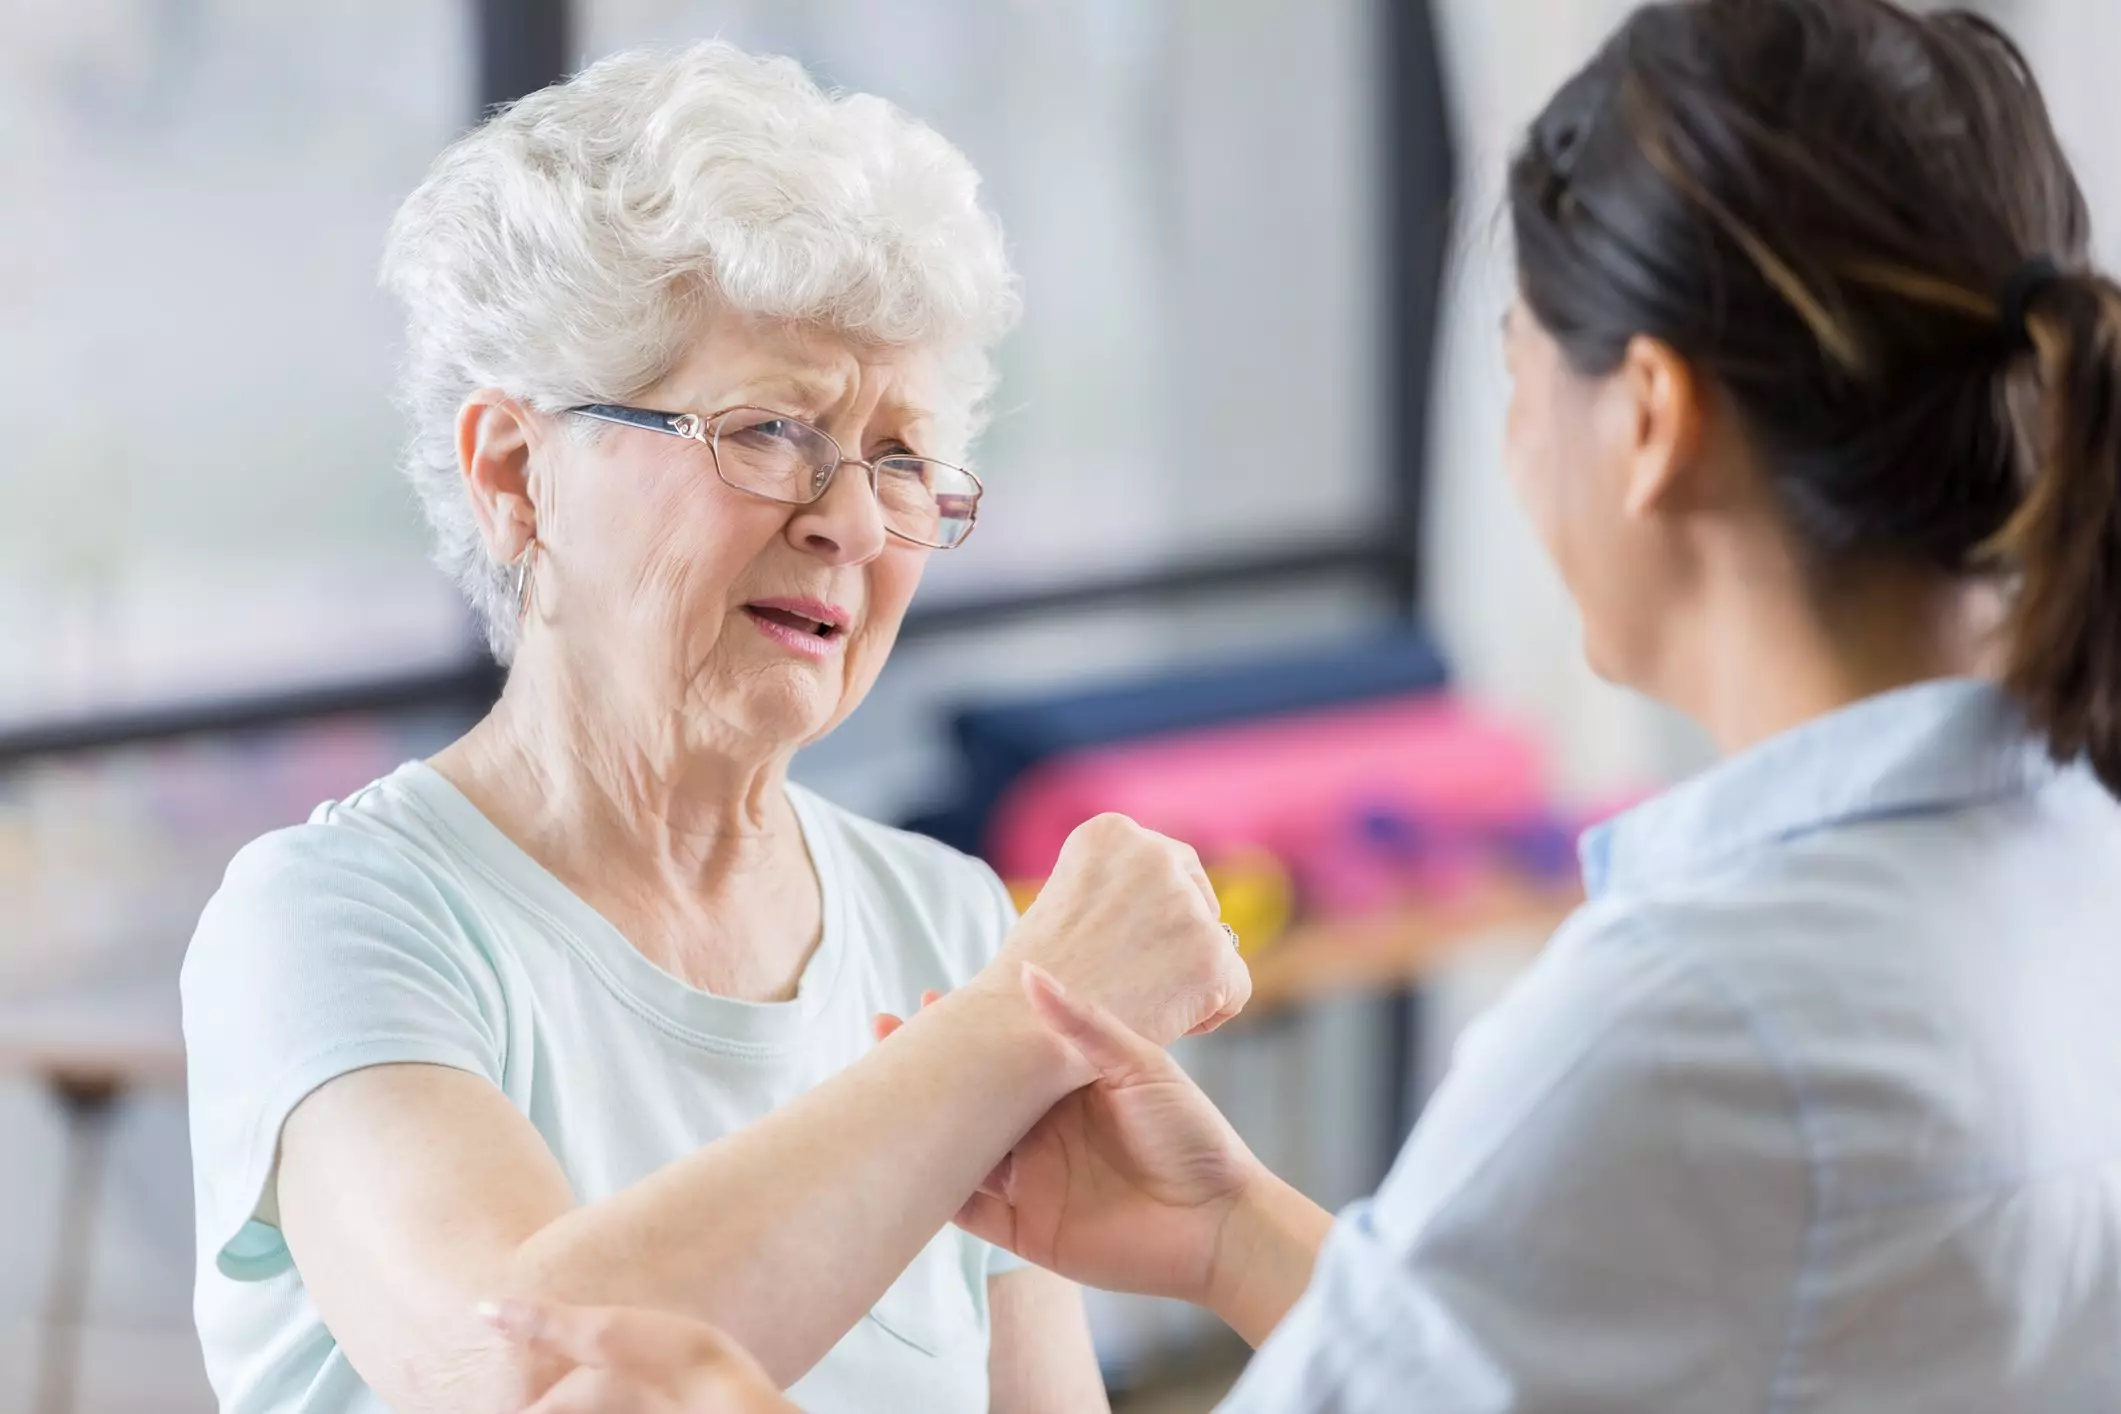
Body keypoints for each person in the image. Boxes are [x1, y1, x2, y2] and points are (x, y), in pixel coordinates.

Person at [489, 0, 2121, 1409]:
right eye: (769, 432)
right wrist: (1233, 1234)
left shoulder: (1688, 1021)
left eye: (1513, 368)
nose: (848, 516)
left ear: (1646, 421)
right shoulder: (2063, 870)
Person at [178, 41, 1251, 1414]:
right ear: (516, 475)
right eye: (771, 432)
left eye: (904, 459)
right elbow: (519, 1376)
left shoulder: (949, 922)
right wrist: (1016, 1029)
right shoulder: (331, 919)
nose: (854, 520)